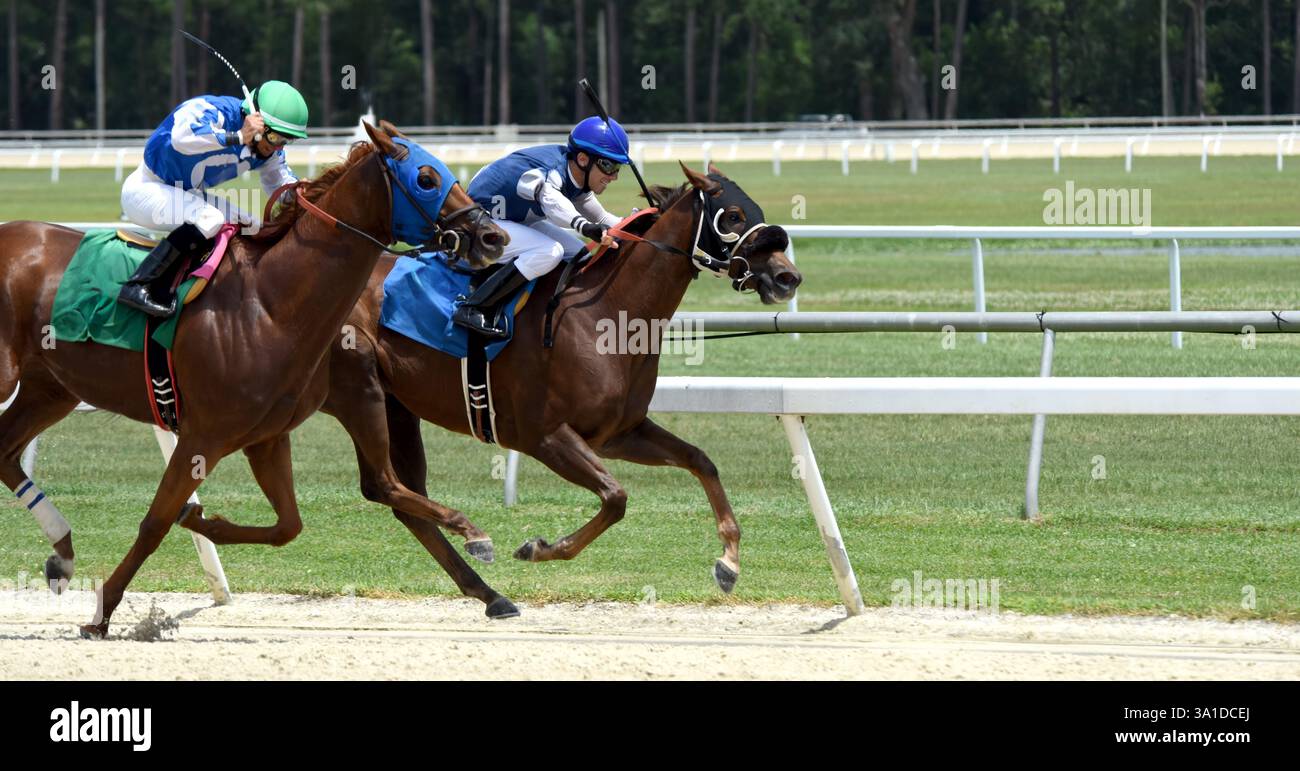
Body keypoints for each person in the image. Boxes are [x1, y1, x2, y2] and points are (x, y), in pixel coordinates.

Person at [117, 81, 309, 317]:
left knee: (251, 226)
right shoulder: (212, 109)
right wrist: (237, 137)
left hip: (186, 194)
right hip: (147, 188)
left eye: (287, 141)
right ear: (257, 121)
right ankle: (139, 285)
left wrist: (307, 196)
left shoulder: (268, 149)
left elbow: (280, 184)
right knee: (210, 218)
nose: (278, 147)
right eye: (277, 138)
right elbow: (180, 138)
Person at [454, 115, 629, 338]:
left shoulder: (576, 175)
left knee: (580, 254)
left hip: (513, 220)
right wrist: (584, 227)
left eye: (617, 168)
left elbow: (602, 217)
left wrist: (636, 223)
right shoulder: (554, 171)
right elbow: (553, 202)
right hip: (479, 223)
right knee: (550, 251)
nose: (613, 176)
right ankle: (474, 307)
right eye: (608, 165)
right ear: (583, 159)